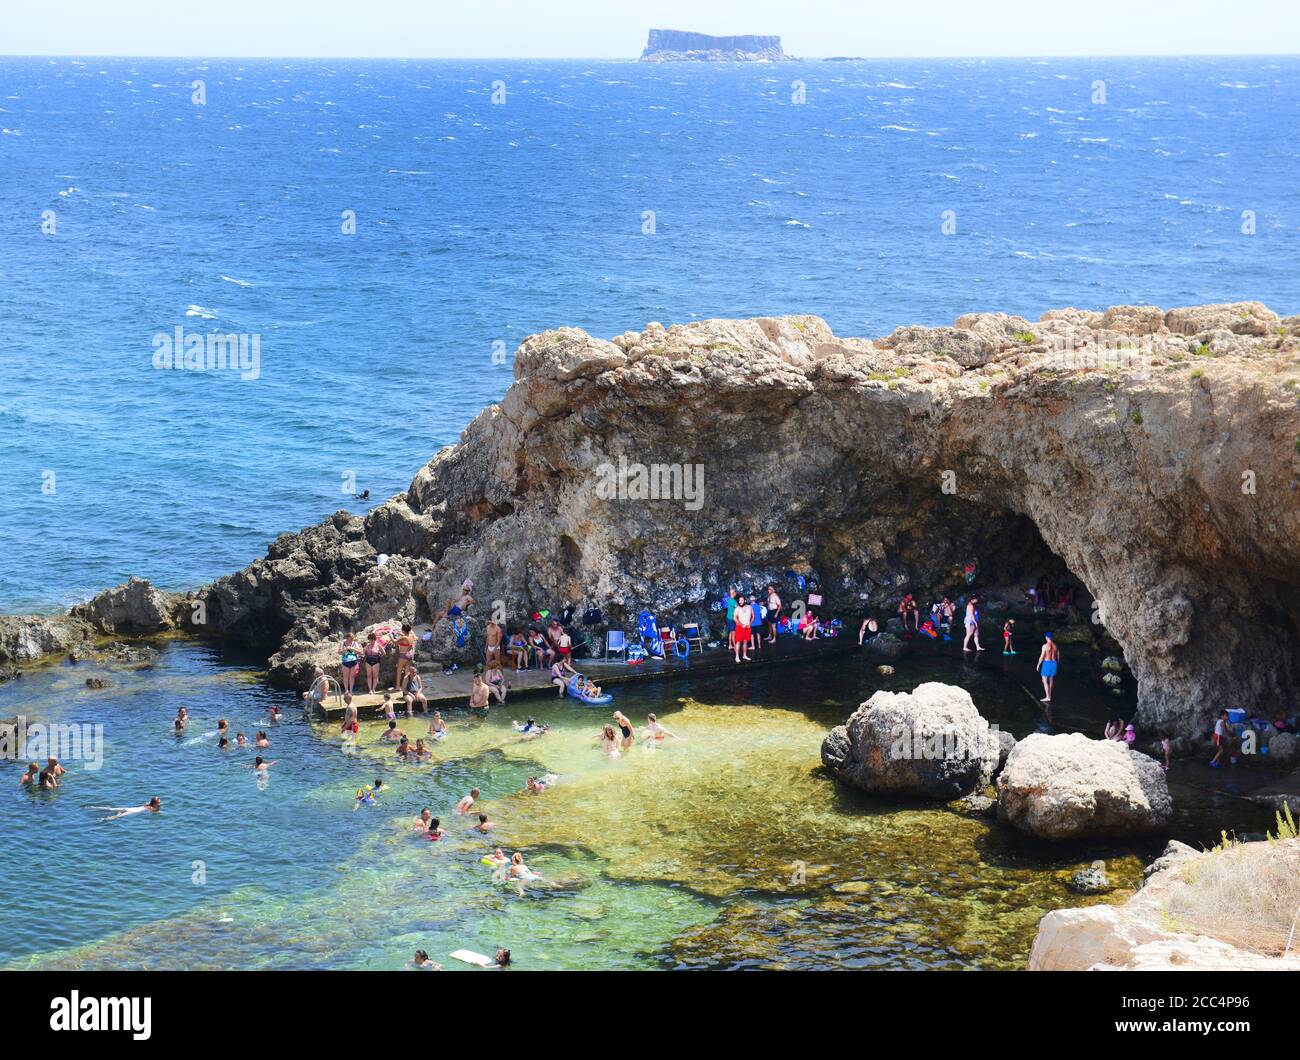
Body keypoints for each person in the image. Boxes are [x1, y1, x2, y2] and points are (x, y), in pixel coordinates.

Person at [1036, 631, 1059, 702]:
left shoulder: (1045, 646)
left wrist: (1038, 664)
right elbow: (1058, 655)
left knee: (1044, 680)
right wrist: (1057, 663)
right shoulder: (1055, 645)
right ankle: (1050, 695)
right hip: (1054, 663)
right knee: (1051, 680)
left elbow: (1042, 657)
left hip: (1047, 663)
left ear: (1046, 637)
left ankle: (1047, 697)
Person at [97, 797, 162, 822]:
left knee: (111, 809)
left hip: (129, 808)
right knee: (116, 816)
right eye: (159, 802)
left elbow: (147, 803)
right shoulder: (152, 808)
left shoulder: (146, 804)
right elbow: (156, 812)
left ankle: (94, 807)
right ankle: (103, 819)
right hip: (132, 811)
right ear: (156, 803)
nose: (160, 802)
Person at [394, 624, 417, 693]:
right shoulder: (411, 635)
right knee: (407, 673)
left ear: (403, 630)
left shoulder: (403, 638)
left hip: (403, 655)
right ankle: (407, 686)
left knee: (399, 671)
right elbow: (407, 637)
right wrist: (399, 633)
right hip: (410, 655)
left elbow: (395, 642)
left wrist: (390, 636)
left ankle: (398, 687)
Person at [733, 594, 754, 663]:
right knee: (738, 642)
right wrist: (741, 624)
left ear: (745, 600)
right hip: (740, 627)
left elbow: (753, 616)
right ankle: (737, 656)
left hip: (748, 627)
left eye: (742, 600)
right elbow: (735, 618)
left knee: (745, 642)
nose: (740, 602)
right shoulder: (737, 608)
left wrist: (750, 624)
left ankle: (744, 655)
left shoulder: (749, 607)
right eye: (739, 601)